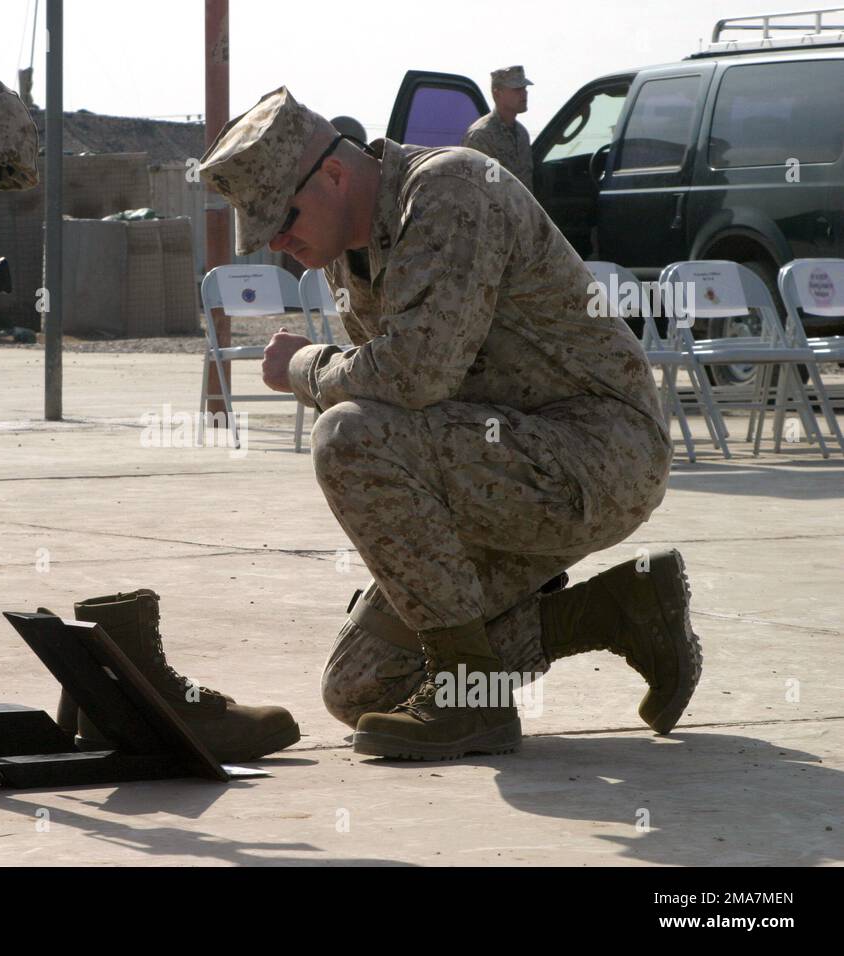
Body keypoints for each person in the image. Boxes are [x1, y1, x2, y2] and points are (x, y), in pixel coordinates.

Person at [197, 86, 701, 760]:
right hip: (490, 468)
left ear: (336, 173)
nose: (283, 247)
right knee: (362, 687)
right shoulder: (348, 257)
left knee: (347, 435)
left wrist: (306, 366)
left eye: (284, 221)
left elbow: (412, 377)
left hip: (592, 454)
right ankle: (622, 611)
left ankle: (473, 694)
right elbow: (415, 400)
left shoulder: (449, 191)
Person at [461, 65, 535, 191]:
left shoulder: (522, 134)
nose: (524, 93)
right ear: (497, 94)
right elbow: (487, 188)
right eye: (517, 89)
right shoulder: (482, 136)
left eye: (524, 88)